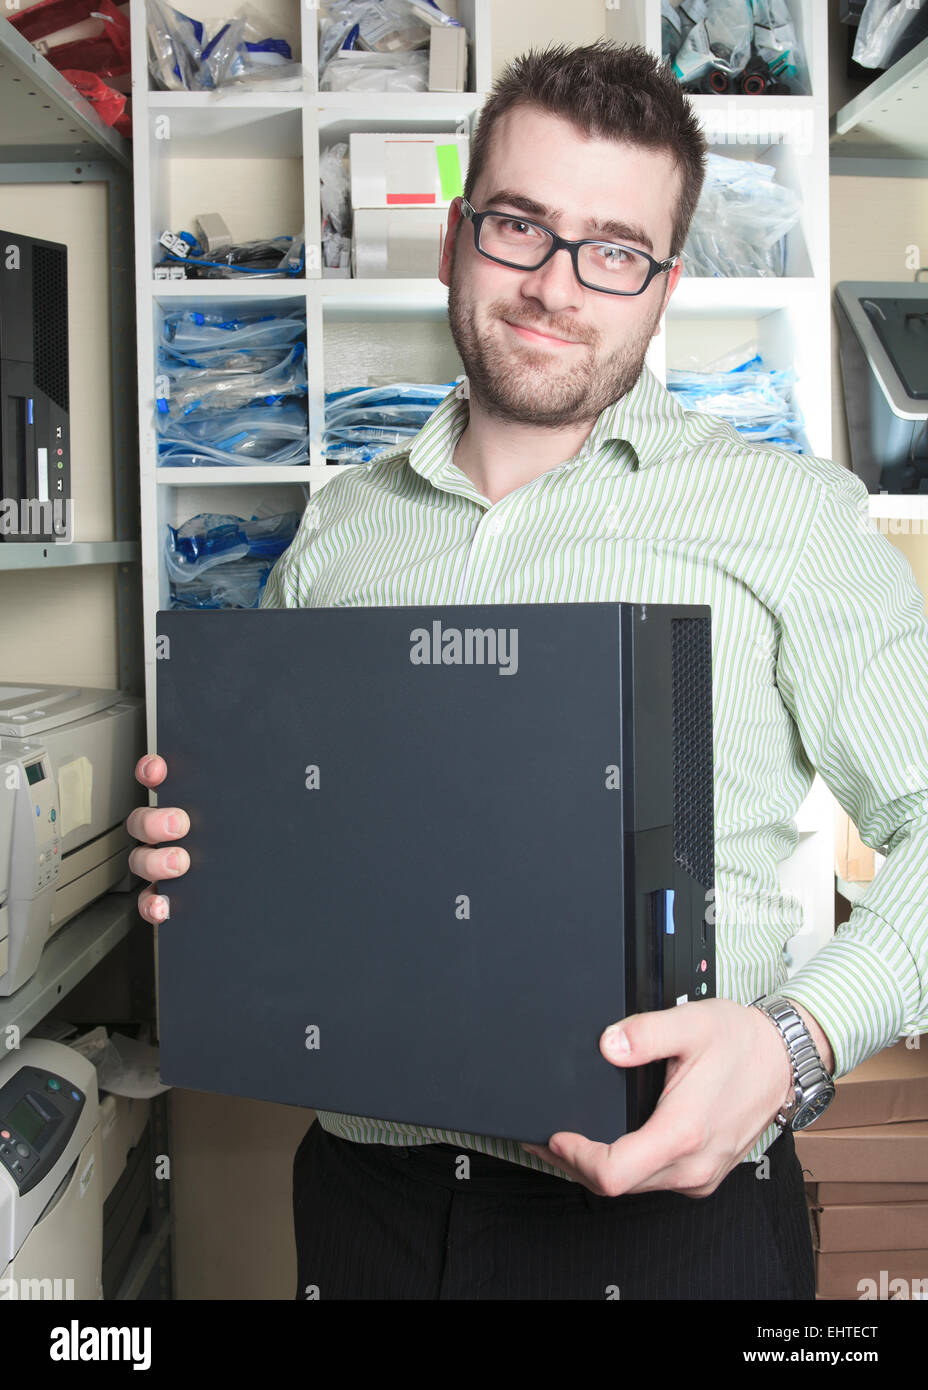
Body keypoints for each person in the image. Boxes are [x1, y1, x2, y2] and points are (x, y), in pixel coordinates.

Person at [128, 39, 928, 1300]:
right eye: (519, 226)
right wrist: (198, 854)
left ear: (662, 287)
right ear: (457, 239)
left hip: (667, 1227)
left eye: (613, 249)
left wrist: (795, 1040)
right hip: (363, 1204)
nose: (556, 285)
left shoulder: (788, 514)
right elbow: (295, 842)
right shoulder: (339, 529)